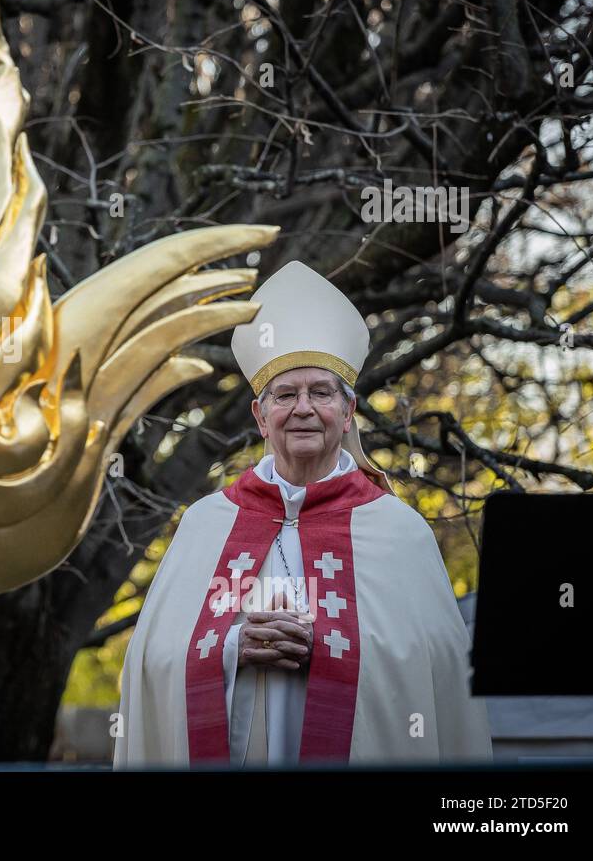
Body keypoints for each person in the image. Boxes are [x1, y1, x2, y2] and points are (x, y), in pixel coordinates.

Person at [114, 260, 492, 766]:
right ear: (260, 417)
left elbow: (435, 671)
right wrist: (230, 648)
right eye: (286, 395)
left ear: (348, 410)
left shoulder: (398, 531)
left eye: (321, 392)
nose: (304, 408)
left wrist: (332, 648)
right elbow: (147, 662)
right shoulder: (207, 523)